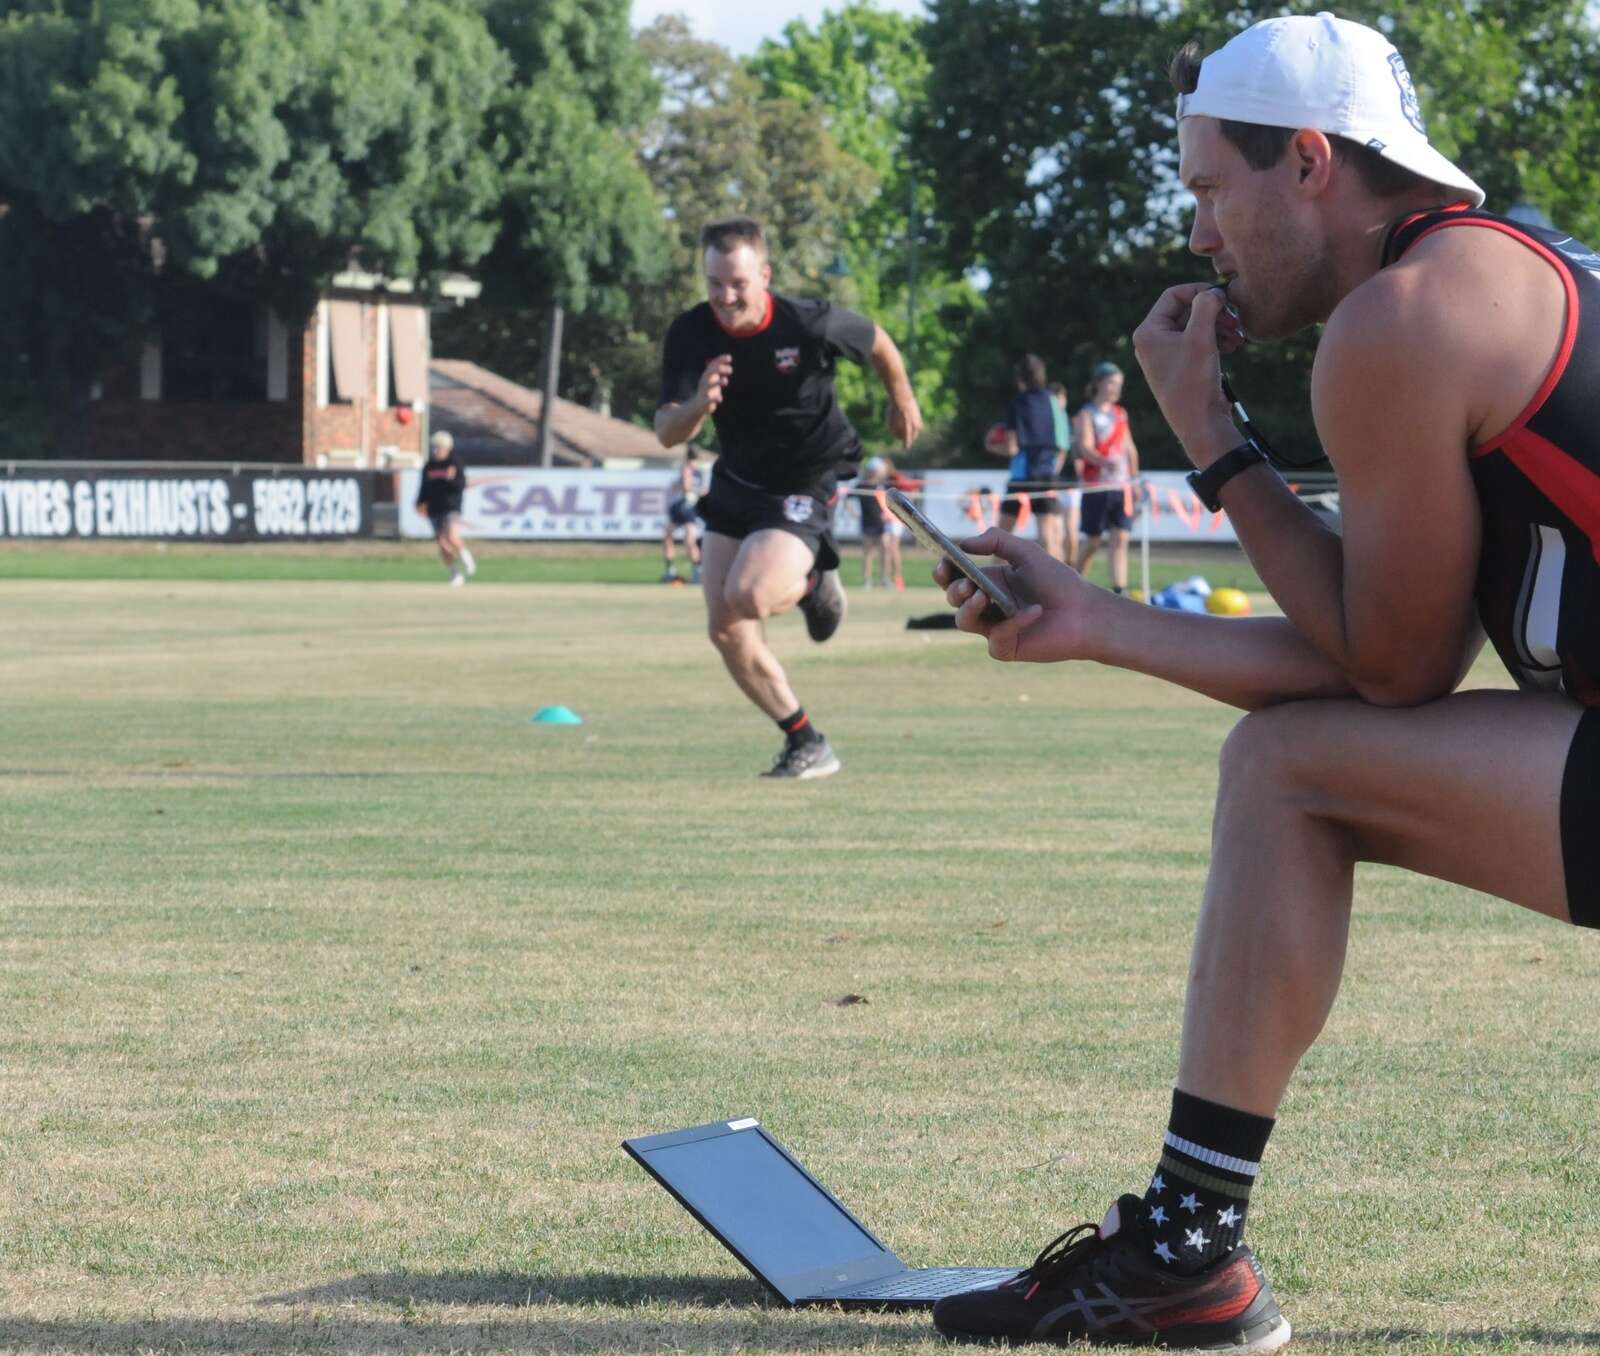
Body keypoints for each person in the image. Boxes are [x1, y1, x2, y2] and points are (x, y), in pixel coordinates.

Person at [929, 13, 1600, 1350]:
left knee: (1289, 775)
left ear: (1307, 162)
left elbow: (1391, 673)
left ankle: (1188, 1251)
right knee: (1291, 767)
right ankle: (1188, 1249)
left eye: (1208, 191)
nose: (1197, 237)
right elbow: (1380, 652)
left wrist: (1213, 439)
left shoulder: (1400, 322)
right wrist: (1097, 620)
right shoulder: (1497, 277)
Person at [655, 216, 922, 778]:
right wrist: (698, 406)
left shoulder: (808, 322)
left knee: (749, 595)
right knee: (725, 629)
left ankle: (815, 583)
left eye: (738, 284)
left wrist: (901, 397)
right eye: (714, 283)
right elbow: (666, 431)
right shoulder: (690, 333)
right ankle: (806, 741)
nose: (726, 297)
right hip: (739, 479)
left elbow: (878, 342)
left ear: (765, 275)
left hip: (810, 475)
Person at [989, 355, 1068, 563]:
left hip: (1021, 476)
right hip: (1047, 474)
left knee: (1001, 536)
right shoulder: (1053, 401)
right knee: (1048, 536)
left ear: (1020, 378)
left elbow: (1012, 447)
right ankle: (1057, 587)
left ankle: (991, 585)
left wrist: (991, 445)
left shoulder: (1017, 404)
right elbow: (1062, 443)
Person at [1074, 362, 1141, 593]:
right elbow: (1085, 447)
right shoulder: (1086, 414)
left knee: (1121, 538)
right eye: (1111, 383)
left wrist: (1134, 478)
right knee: (1093, 540)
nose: (1115, 388)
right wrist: (1104, 461)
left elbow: (1130, 448)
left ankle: (1119, 589)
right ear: (1099, 383)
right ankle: (1073, 582)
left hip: (1121, 485)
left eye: (1118, 384)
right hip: (1097, 486)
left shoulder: (1120, 414)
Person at [414, 430, 475, 586]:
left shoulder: (454, 463)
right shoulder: (429, 466)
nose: (435, 451)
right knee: (442, 543)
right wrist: (420, 502)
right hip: (435, 507)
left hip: (451, 506)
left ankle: (466, 557)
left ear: (447, 448)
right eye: (433, 447)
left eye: (438, 447)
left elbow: (461, 485)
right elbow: (424, 487)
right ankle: (455, 573)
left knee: (452, 536)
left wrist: (452, 479)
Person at [1047, 380, 1081, 568]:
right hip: (1056, 484)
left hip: (1070, 484)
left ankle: (1072, 568)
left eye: (1060, 399)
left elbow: (1074, 454)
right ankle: (1061, 572)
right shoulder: (1048, 424)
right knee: (1056, 533)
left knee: (1071, 533)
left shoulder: (1070, 422)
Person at [661, 447, 706, 584]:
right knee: (686, 539)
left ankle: (671, 570)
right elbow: (703, 490)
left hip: (682, 506)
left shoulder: (687, 469)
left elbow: (686, 487)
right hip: (691, 507)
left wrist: (678, 485)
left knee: (672, 537)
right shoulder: (700, 472)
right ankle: (697, 571)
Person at [856, 456, 891, 589]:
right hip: (867, 523)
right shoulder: (861, 485)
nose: (875, 472)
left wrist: (888, 515)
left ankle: (885, 579)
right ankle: (867, 581)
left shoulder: (883, 486)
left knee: (885, 551)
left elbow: (890, 504)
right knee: (868, 553)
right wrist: (854, 513)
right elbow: (848, 498)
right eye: (873, 470)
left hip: (881, 524)